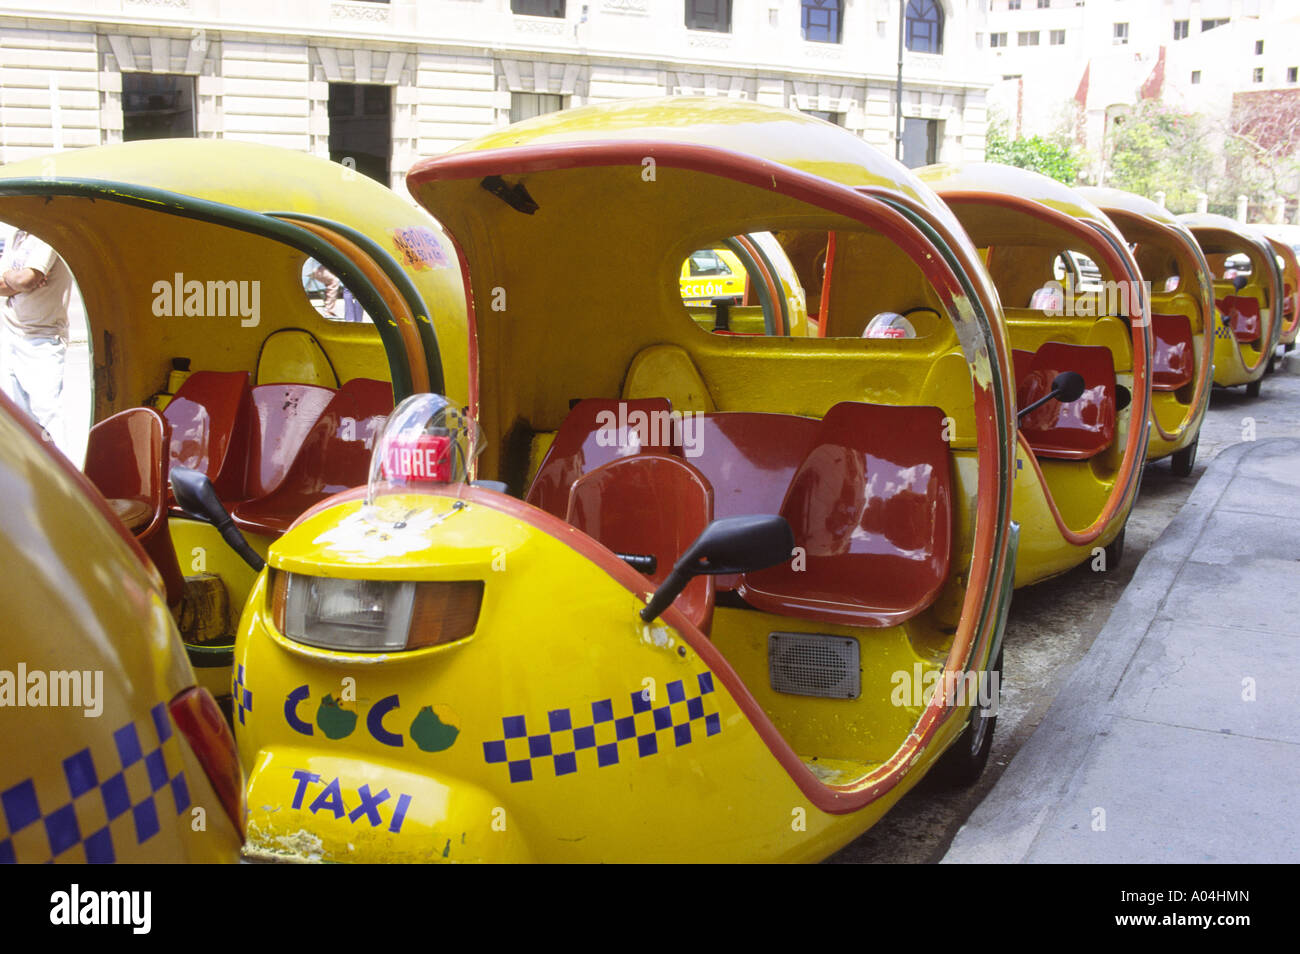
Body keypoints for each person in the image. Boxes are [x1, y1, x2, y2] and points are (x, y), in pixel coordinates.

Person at [0, 227, 73, 447]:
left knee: (47, 415)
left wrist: (18, 280)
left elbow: (26, 280)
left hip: (43, 338)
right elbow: (8, 283)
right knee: (19, 418)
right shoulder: (17, 236)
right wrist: (17, 279)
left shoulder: (47, 236)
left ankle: (61, 475)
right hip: (12, 332)